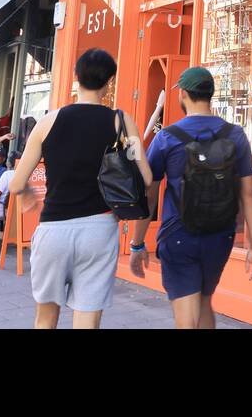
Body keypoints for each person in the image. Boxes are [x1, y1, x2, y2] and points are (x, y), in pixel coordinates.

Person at [12, 48, 150, 329]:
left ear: (76, 77)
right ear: (109, 82)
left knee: (45, 318)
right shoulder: (121, 122)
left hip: (53, 230)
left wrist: (27, 195)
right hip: (99, 231)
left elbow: (16, 183)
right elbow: (146, 178)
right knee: (87, 319)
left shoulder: (48, 121)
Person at [129, 66, 252, 329]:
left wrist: (137, 243)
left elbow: (150, 195)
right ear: (209, 95)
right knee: (204, 303)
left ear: (184, 96)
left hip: (179, 236)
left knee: (185, 318)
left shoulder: (167, 137)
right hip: (220, 236)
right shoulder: (235, 135)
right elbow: (248, 193)